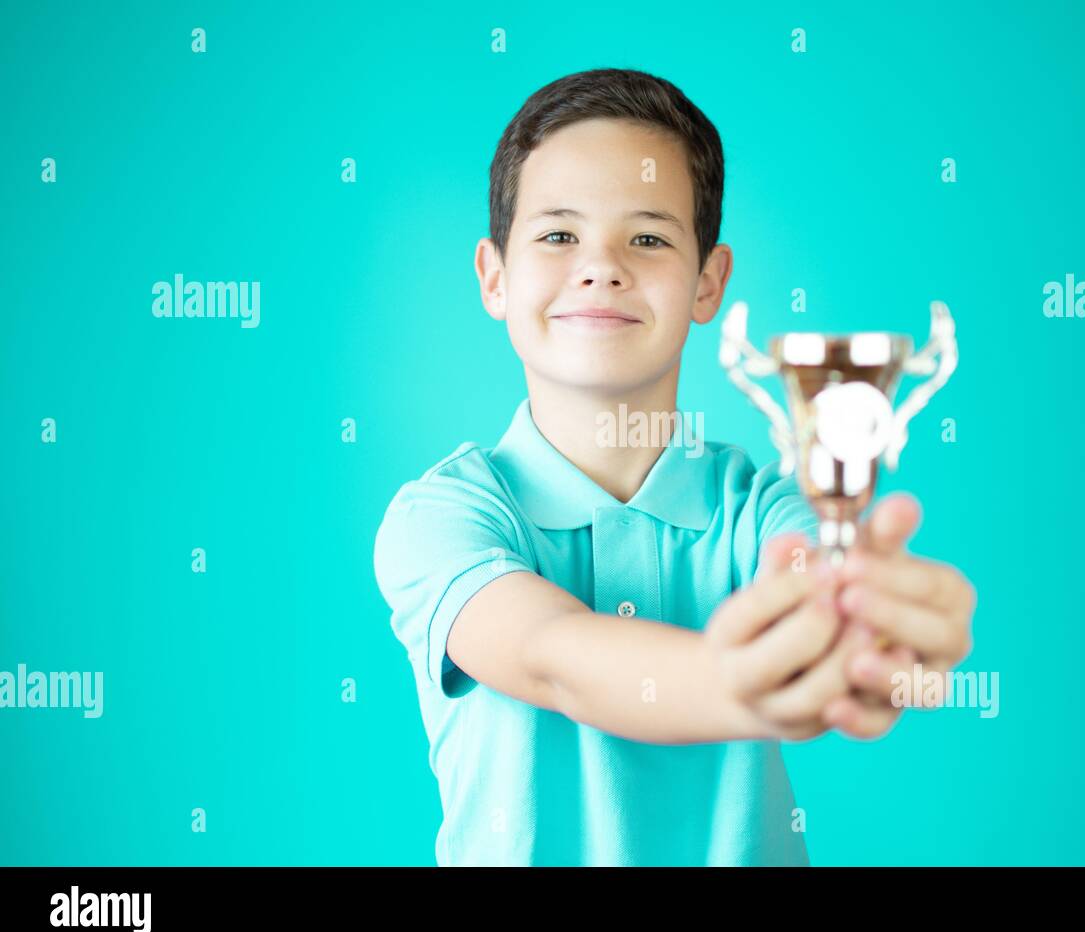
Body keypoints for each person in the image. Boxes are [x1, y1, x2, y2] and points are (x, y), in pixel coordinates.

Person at [373, 68, 976, 866]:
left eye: (648, 237)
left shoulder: (770, 507)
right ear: (494, 275)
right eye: (558, 235)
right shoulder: (440, 519)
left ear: (708, 282)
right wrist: (741, 683)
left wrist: (869, 627)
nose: (601, 266)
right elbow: (553, 660)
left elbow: (812, 592)